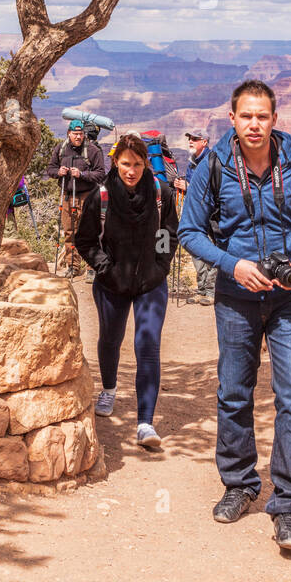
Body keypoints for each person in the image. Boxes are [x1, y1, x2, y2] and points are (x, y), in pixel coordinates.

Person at [178, 80, 291, 552]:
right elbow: (189, 231)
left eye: (262, 116)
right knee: (233, 392)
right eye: (246, 116)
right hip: (236, 294)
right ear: (232, 117)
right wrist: (233, 264)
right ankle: (240, 483)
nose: (254, 124)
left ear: (274, 119)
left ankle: (288, 507)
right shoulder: (215, 165)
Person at [75, 133, 179, 449]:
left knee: (147, 343)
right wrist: (106, 268)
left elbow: (167, 233)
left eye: (136, 164)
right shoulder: (101, 196)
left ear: (146, 163)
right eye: (124, 164)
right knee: (111, 337)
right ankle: (108, 389)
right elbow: (86, 241)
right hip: (111, 284)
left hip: (150, 283)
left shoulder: (161, 193)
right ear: (115, 162)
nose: (131, 171)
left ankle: (145, 423)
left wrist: (160, 266)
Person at [45, 120, 106, 276]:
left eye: (80, 134)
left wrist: (82, 174)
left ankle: (92, 267)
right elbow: (50, 168)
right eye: (75, 134)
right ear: (69, 133)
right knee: (69, 231)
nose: (78, 137)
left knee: (90, 231)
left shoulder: (92, 151)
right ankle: (73, 265)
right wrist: (58, 172)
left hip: (88, 197)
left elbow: (100, 174)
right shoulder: (61, 149)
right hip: (67, 196)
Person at [183, 129, 214, 304]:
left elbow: (210, 188)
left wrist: (188, 187)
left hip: (210, 214)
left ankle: (211, 291)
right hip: (195, 212)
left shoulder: (211, 161)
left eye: (195, 139)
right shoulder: (191, 162)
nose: (190, 142)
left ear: (204, 142)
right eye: (190, 139)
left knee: (211, 250)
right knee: (196, 250)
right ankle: (201, 289)